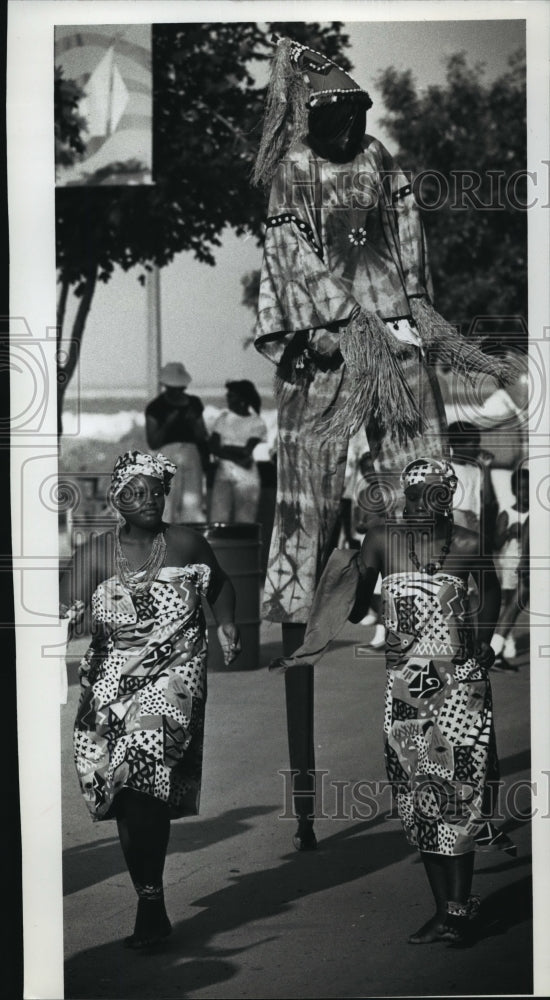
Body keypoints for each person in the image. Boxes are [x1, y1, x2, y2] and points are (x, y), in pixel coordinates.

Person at [251, 35, 509, 850]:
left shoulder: (381, 159)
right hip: (324, 353)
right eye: (332, 114)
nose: (345, 127)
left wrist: (417, 321)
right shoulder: (293, 170)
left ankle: (473, 769)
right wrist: (328, 326)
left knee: (426, 506)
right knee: (305, 517)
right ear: (312, 112)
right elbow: (284, 252)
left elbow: (409, 255)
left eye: (353, 114)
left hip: (393, 344)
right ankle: (303, 802)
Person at [270, 457, 514, 945]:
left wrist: (483, 644)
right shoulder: (382, 541)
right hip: (404, 691)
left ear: (450, 496)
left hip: (460, 689)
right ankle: (445, 908)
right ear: (407, 497)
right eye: (419, 494)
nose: (429, 502)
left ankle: (458, 910)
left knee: (457, 797)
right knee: (419, 797)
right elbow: (358, 606)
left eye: (439, 493)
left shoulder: (468, 545)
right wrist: (350, 573)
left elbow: (490, 594)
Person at [59, 450, 241, 950]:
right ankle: (151, 899)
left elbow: (220, 586)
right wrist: (72, 616)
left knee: (144, 769)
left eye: (157, 491)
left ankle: (150, 904)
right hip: (110, 684)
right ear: (117, 496)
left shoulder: (185, 543)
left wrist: (226, 623)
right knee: (125, 795)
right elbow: (65, 616)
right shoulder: (94, 554)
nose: (148, 500)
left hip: (174, 681)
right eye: (136, 491)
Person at [145, 362, 209, 523]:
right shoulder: (156, 407)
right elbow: (153, 442)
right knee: (167, 503)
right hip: (167, 455)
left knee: (193, 505)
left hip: (191, 453)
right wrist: (167, 424)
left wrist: (194, 422)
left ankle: (189, 540)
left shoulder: (193, 403)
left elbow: (202, 435)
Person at [208, 380, 268, 523]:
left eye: (232, 396)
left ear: (243, 398)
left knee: (245, 521)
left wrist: (225, 449)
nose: (228, 399)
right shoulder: (223, 418)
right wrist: (237, 457)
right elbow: (213, 447)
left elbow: (247, 450)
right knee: (218, 519)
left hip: (246, 476)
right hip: (225, 472)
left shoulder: (256, 421)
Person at [491, 466, 530, 670]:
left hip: (527, 560)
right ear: (515, 491)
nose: (525, 493)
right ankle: (508, 639)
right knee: (509, 601)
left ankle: (501, 641)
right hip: (510, 561)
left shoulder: (536, 513)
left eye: (528, 488)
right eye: (522, 489)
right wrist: (508, 532)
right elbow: (496, 542)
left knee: (519, 600)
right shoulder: (507, 513)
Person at [447, 421, 498, 555]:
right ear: (457, 445)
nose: (478, 448)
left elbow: (487, 500)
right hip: (453, 528)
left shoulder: (476, 470)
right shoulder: (444, 468)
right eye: (474, 444)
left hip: (472, 526)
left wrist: (486, 468)